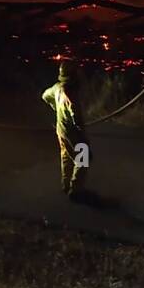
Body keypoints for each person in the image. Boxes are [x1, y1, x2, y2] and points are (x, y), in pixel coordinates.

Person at [42, 62, 92, 201]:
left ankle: (66, 184)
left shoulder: (57, 88)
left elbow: (45, 96)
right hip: (72, 132)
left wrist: (55, 107)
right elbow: (77, 118)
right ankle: (75, 190)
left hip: (60, 129)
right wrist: (83, 134)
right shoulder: (71, 95)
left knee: (66, 156)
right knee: (83, 158)